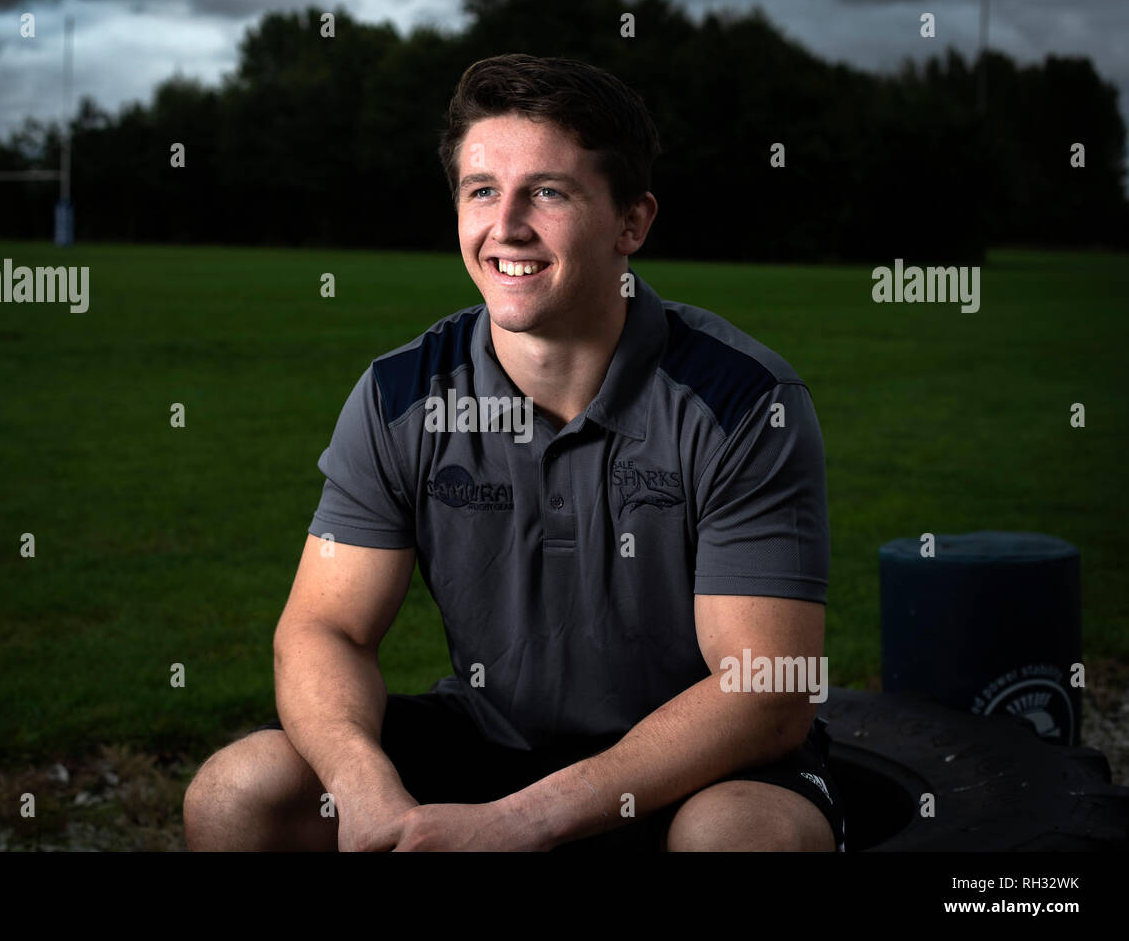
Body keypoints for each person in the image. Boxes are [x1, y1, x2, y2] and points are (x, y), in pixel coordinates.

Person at [183, 53, 845, 852]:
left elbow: (766, 688)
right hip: (492, 742)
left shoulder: (743, 402)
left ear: (631, 222)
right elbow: (325, 629)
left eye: (549, 192)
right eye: (482, 191)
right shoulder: (402, 396)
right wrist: (366, 789)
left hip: (696, 770)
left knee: (738, 840)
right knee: (238, 793)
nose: (507, 227)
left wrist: (522, 823)